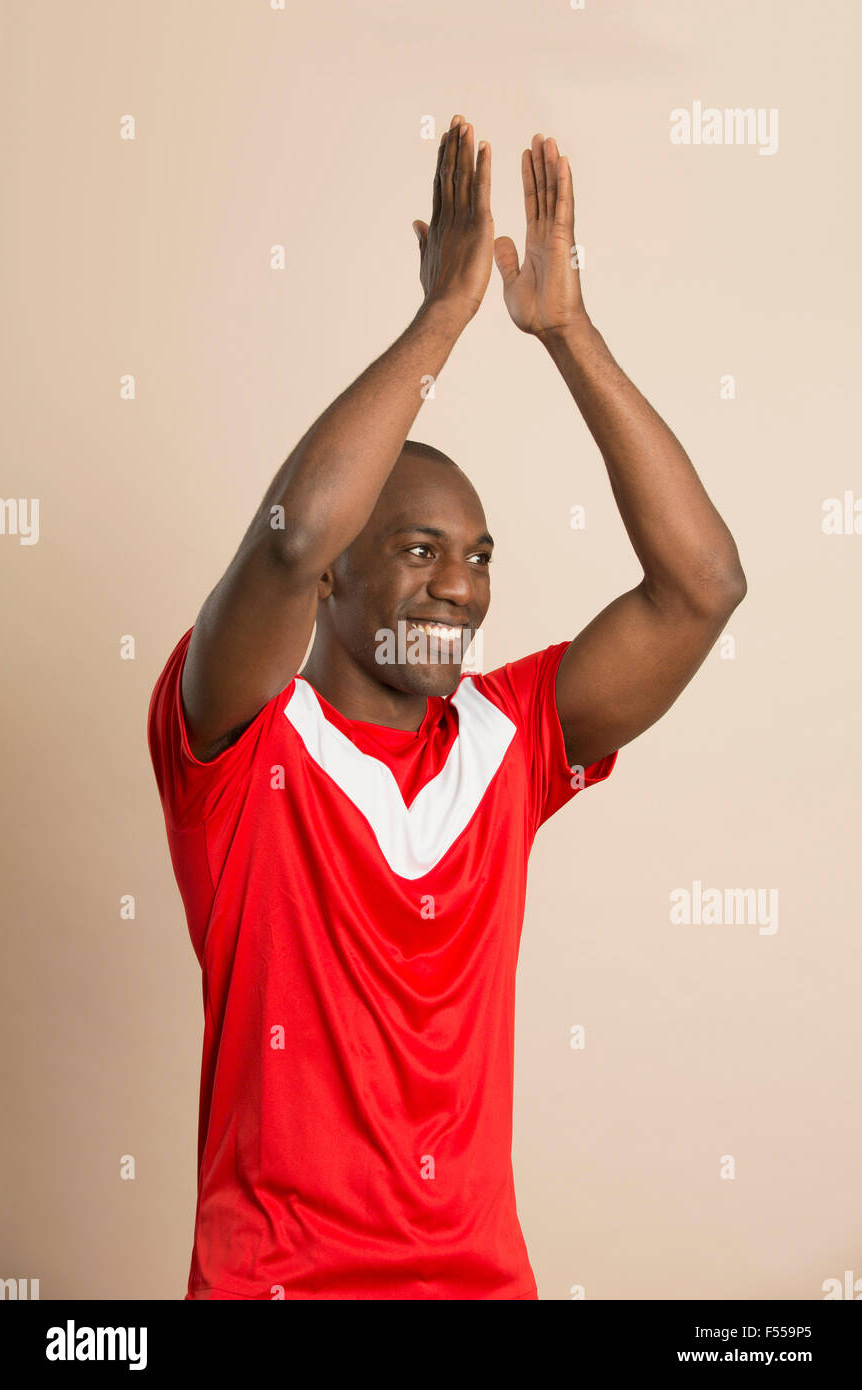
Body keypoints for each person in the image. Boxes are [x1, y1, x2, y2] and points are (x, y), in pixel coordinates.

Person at [148, 113, 746, 1301]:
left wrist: (564, 331)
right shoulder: (235, 730)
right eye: (419, 551)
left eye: (477, 555)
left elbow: (700, 586)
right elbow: (292, 535)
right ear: (337, 579)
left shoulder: (506, 739)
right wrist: (441, 320)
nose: (461, 586)